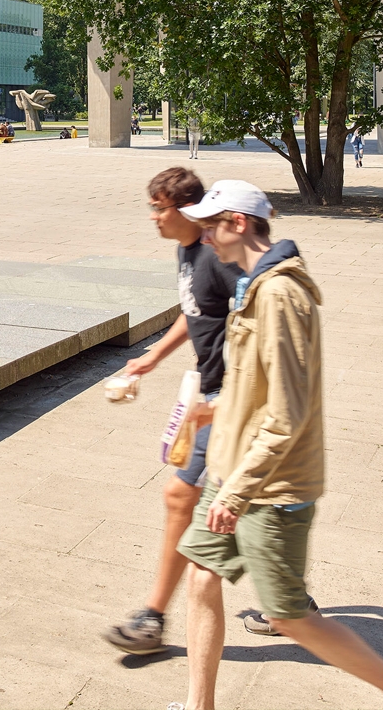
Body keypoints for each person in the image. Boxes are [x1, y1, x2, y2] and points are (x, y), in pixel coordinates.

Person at [172, 179, 383, 710]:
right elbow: (259, 390)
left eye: (209, 225)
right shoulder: (253, 286)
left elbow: (288, 414)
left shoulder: (280, 295)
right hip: (234, 469)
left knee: (288, 614)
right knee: (202, 577)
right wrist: (215, 410)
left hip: (271, 486)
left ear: (238, 223)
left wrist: (236, 492)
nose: (203, 238)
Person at [102, 167, 242, 656]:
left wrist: (230, 399)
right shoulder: (186, 251)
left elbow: (259, 326)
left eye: (159, 208)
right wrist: (152, 357)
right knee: (221, 502)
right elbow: (194, 309)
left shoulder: (218, 256)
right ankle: (290, 600)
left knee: (182, 494)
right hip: (208, 392)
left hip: (231, 400)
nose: (154, 217)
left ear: (185, 210)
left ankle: (153, 618)